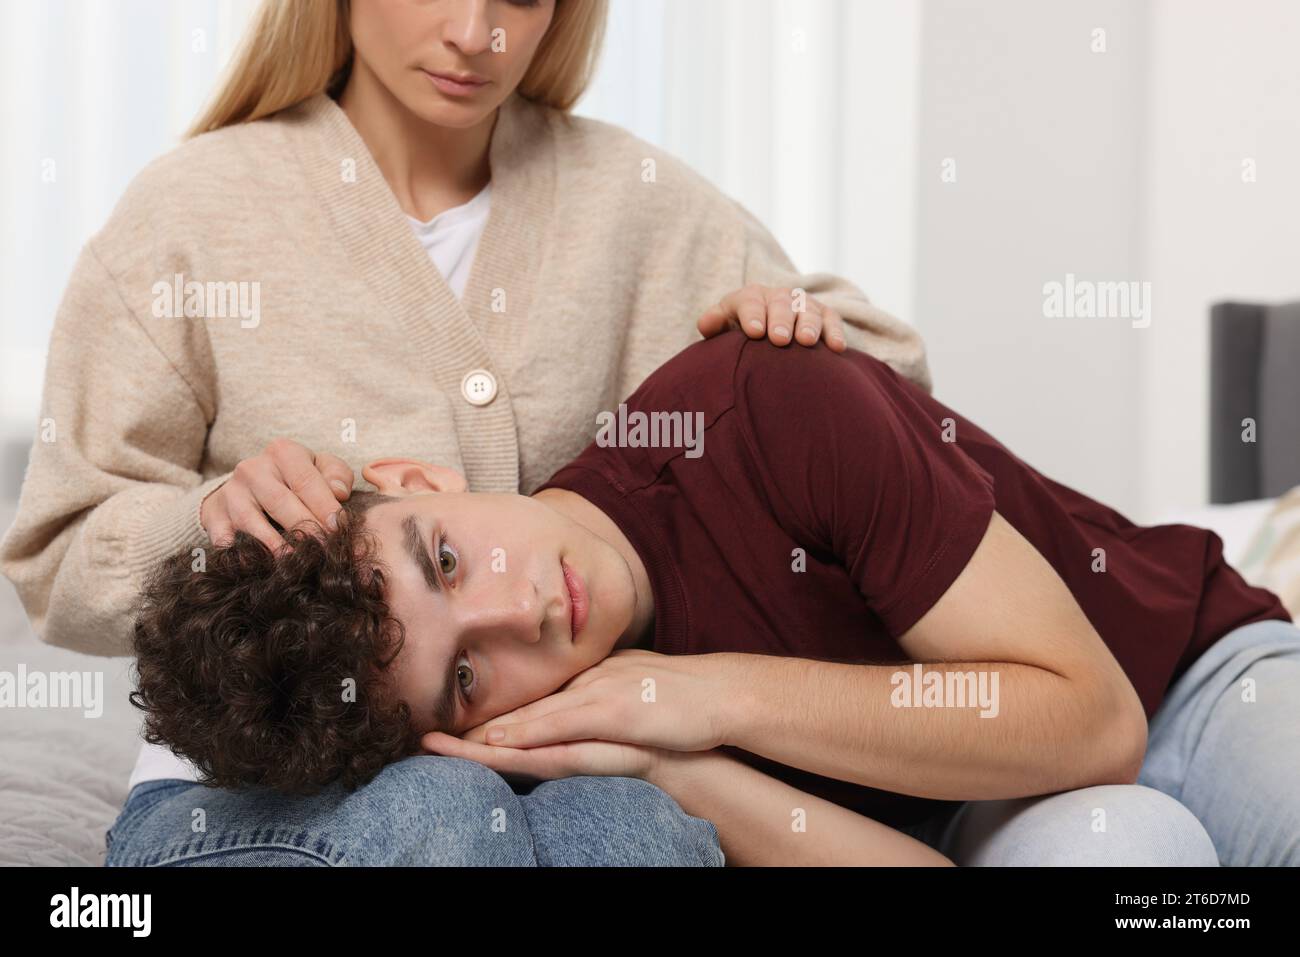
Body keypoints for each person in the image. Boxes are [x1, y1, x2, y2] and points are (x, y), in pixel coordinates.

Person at [0, 0, 930, 866]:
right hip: (258, 788)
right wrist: (211, 522)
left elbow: (886, 385)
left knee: (637, 829)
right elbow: (54, 554)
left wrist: (788, 325)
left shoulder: (632, 202)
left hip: (559, 757)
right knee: (441, 812)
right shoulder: (190, 214)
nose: (476, 32)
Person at [122, 329, 1300, 866]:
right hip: (987, 800)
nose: (519, 612)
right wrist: (668, 766)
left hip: (1179, 670)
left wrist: (708, 697)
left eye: (445, 559)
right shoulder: (548, 743)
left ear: (423, 479)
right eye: (464, 671)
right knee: (1131, 853)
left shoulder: (760, 408)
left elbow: (1094, 722)